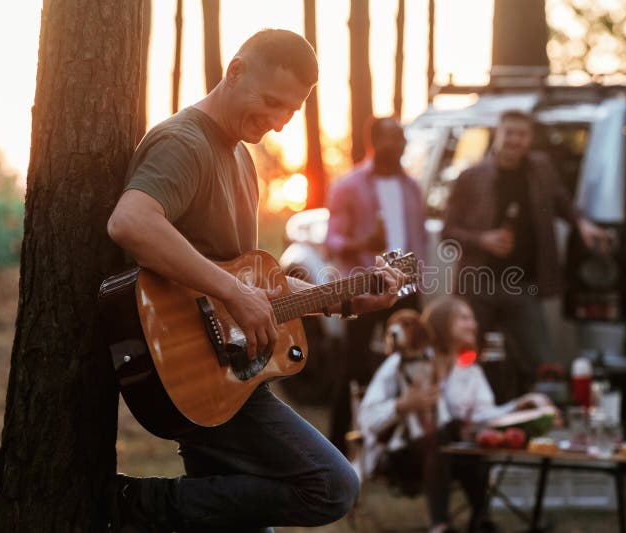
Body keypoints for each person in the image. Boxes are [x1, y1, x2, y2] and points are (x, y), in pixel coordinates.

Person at [105, 29, 406, 532]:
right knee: (332, 486)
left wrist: (348, 300)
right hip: (185, 364)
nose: (278, 123)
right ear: (235, 71)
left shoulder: (242, 159)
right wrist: (233, 292)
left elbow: (260, 293)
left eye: (289, 112)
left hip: (227, 376)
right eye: (271, 103)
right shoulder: (184, 142)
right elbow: (131, 222)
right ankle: (134, 505)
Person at [442, 109, 610, 401]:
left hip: (523, 286)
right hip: (477, 287)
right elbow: (448, 230)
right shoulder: (471, 177)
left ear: (530, 138)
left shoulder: (541, 169)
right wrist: (483, 240)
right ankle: (461, 423)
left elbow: (561, 201)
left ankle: (537, 421)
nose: (515, 141)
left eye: (522, 135)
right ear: (498, 134)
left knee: (543, 364)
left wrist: (581, 224)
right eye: (510, 133)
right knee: (466, 360)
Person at [358, 296, 556, 533]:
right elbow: (366, 416)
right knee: (443, 435)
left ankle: (480, 521)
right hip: (400, 456)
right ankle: (443, 525)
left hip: (452, 455)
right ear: (442, 323)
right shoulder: (403, 362)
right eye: (463, 318)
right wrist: (403, 404)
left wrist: (523, 404)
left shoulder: (469, 371)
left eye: (472, 318)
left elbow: (486, 416)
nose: (473, 324)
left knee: (464, 437)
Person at [325, 116, 426, 453]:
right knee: (353, 368)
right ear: (374, 142)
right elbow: (332, 242)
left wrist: (419, 281)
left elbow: (418, 242)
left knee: (410, 366)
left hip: (407, 290)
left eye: (402, 140)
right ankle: (337, 446)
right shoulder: (349, 185)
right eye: (391, 139)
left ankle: (398, 448)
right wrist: (363, 242)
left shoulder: (412, 187)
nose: (398, 146)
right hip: (365, 289)